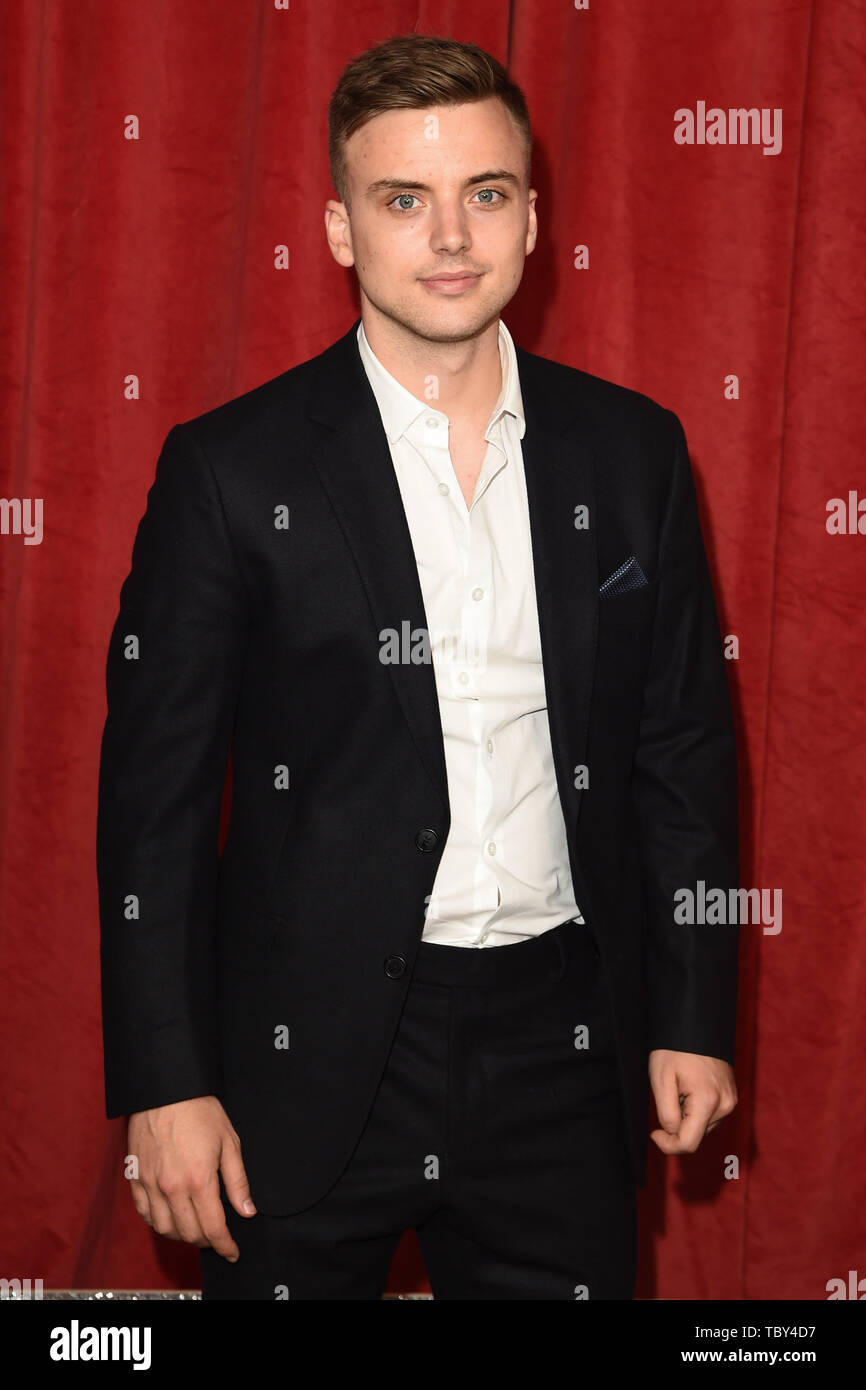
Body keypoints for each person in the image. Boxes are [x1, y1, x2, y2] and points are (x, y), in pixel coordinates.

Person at [97, 33, 739, 1301]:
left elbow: (681, 752)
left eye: (483, 195)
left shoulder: (632, 454)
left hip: (561, 1042)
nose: (449, 236)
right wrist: (166, 1080)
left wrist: (692, 1011)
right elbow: (152, 809)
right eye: (404, 200)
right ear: (340, 230)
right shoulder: (231, 471)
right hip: (305, 1048)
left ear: (531, 218)